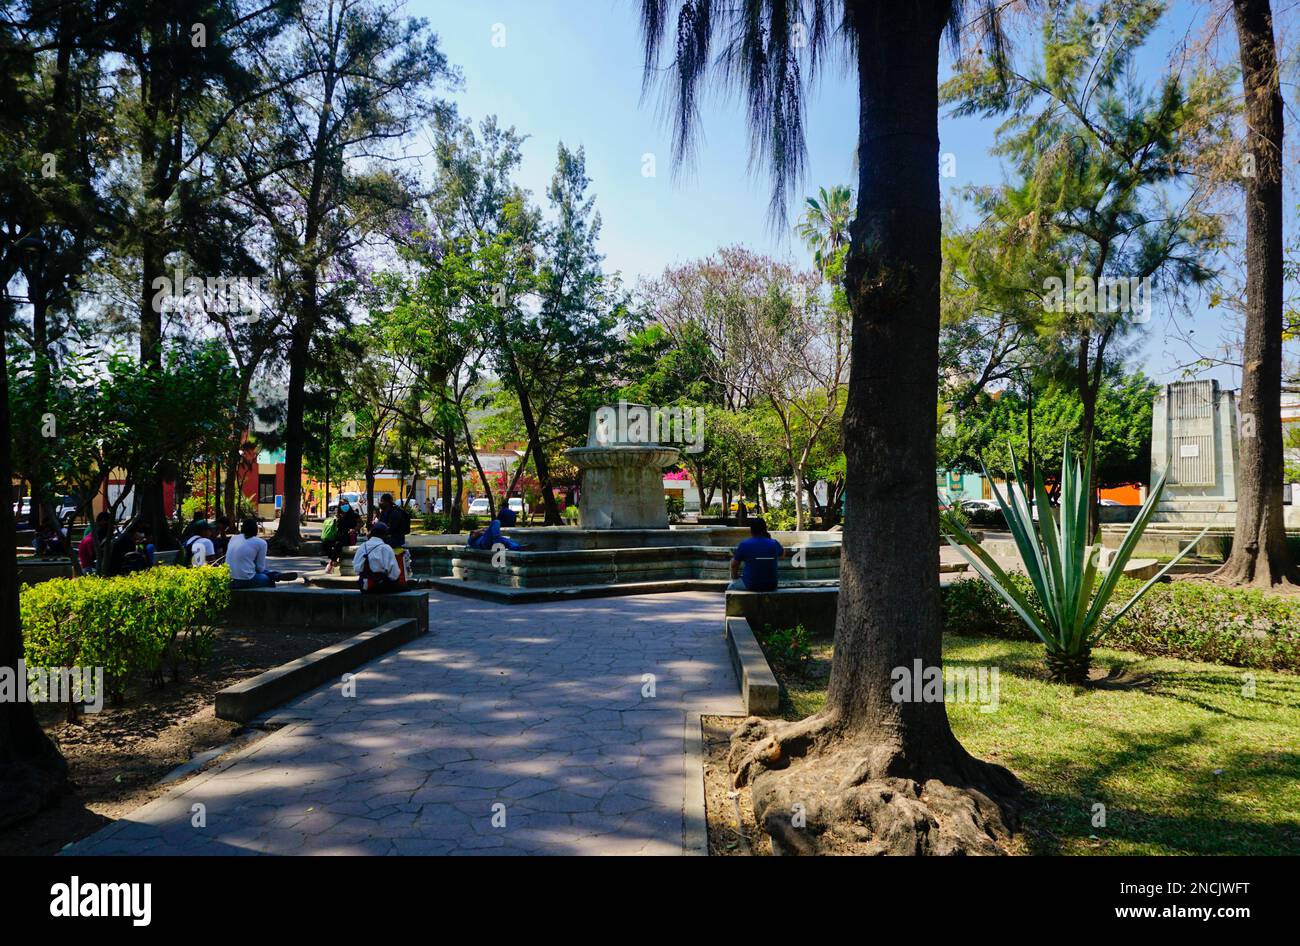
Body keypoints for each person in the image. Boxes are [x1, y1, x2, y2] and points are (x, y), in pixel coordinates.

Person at [227, 518, 297, 588]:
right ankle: (276, 576)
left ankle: (276, 575)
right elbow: (260, 568)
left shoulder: (233, 538)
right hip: (245, 580)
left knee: (257, 571)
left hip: (229, 579)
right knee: (268, 579)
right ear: (256, 529)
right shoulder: (261, 543)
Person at [728, 518, 783, 592]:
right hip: (771, 585)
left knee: (730, 587)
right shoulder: (774, 543)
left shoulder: (745, 544)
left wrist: (735, 577)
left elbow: (734, 564)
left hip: (751, 584)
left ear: (751, 530)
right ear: (765, 529)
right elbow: (782, 555)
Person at [353, 521, 401, 593]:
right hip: (381, 586)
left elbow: (356, 568)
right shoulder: (386, 548)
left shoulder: (362, 546)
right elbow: (394, 574)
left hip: (363, 586)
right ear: (384, 535)